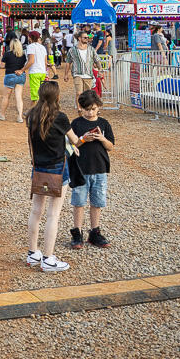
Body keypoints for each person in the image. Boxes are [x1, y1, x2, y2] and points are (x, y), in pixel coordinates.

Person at [25, 81, 82, 273]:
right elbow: (75, 140)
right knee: (53, 214)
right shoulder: (61, 117)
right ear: (57, 97)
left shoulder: (31, 115)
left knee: (36, 211)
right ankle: (48, 258)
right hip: (58, 167)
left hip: (38, 167)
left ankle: (33, 253)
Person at [69, 90, 114, 250]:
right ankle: (77, 232)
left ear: (99, 107)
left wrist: (102, 138)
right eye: (87, 109)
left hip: (100, 168)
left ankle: (95, 232)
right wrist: (82, 139)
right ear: (81, 108)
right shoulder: (76, 123)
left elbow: (110, 147)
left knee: (97, 202)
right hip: (80, 169)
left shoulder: (104, 124)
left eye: (93, 109)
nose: (90, 112)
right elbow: (70, 146)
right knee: (79, 202)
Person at [0, 38, 27, 122]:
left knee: (6, 96)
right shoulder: (22, 55)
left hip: (10, 75)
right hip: (21, 75)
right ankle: (20, 117)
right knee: (19, 97)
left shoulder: (7, 54)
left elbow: (2, 66)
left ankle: (2, 114)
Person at [67, 32, 97, 106]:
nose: (87, 39)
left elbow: (97, 59)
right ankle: (79, 109)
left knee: (87, 94)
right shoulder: (72, 50)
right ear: (79, 38)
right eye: (85, 37)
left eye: (87, 38)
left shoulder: (91, 49)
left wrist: (100, 70)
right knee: (78, 93)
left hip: (88, 74)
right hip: (77, 73)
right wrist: (66, 74)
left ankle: (86, 108)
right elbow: (68, 62)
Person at [25, 31, 49, 104]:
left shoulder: (30, 47)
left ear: (30, 37)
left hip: (34, 72)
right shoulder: (42, 47)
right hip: (42, 72)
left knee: (35, 94)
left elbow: (31, 61)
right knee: (42, 92)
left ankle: (34, 111)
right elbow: (45, 62)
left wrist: (22, 69)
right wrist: (46, 72)